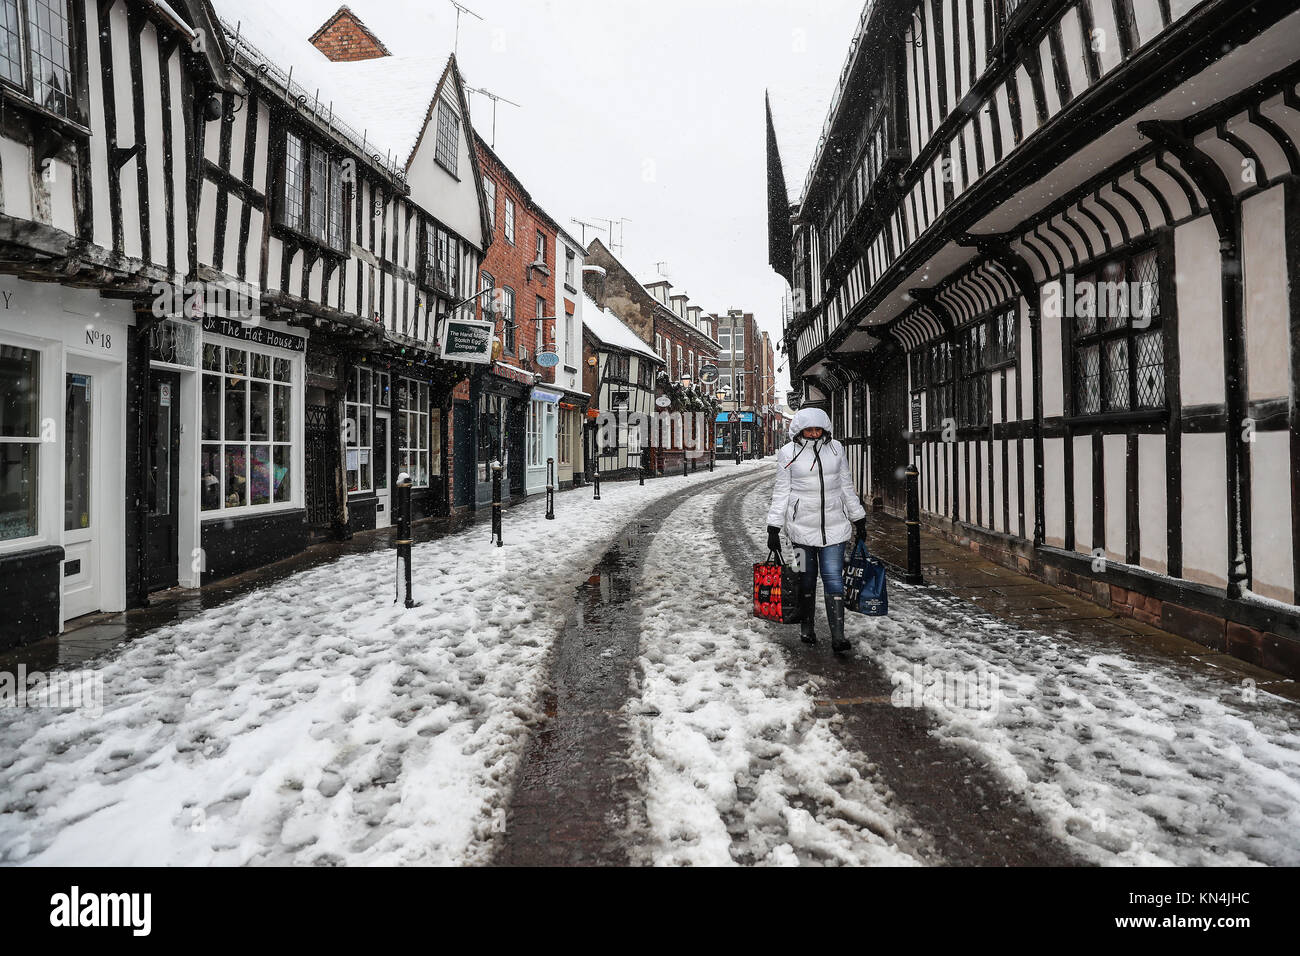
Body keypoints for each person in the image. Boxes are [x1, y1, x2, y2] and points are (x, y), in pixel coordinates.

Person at [765, 407, 866, 653]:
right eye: (808, 429)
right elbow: (782, 492)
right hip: (799, 533)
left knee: (834, 580)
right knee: (805, 580)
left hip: (834, 529)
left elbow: (845, 485)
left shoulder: (836, 449)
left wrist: (858, 517)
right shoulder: (787, 453)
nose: (812, 433)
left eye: (817, 429)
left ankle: (838, 636)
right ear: (799, 430)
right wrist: (774, 527)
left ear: (825, 429)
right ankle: (806, 627)